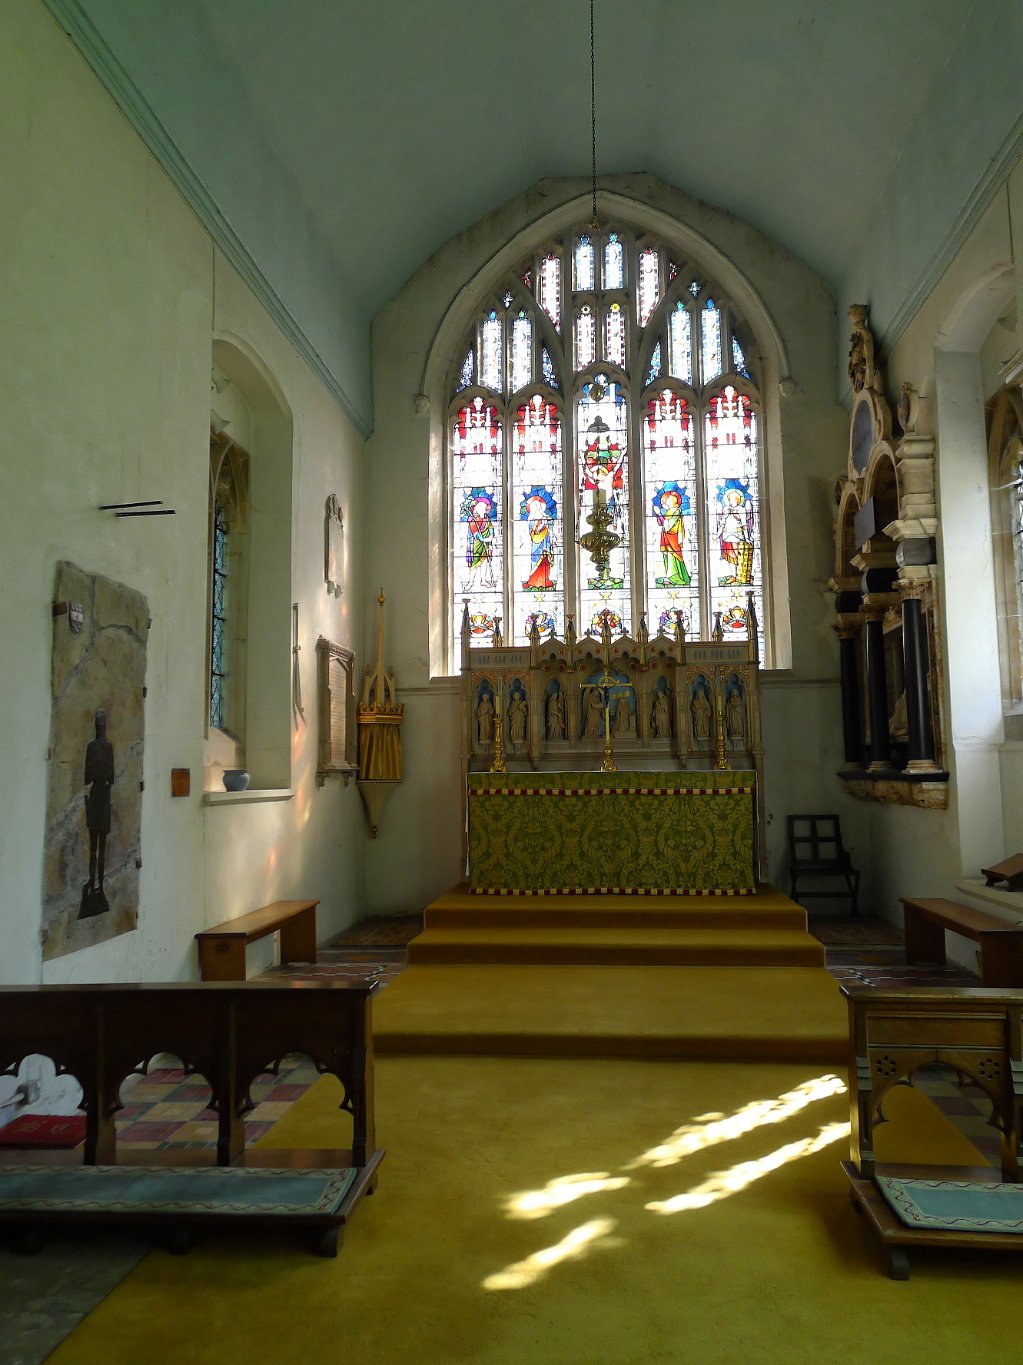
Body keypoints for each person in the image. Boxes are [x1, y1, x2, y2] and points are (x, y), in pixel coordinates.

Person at [82, 707, 114, 914]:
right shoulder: (98, 747)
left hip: (98, 796)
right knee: (97, 845)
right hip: (100, 796)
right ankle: (96, 884)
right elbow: (110, 777)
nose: (101, 725)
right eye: (99, 721)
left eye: (102, 721)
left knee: (98, 845)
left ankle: (97, 884)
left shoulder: (96, 747)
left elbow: (89, 776)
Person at [655, 487, 690, 586]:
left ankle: (674, 577)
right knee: (667, 556)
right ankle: (670, 575)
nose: (666, 502)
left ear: (674, 502)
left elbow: (669, 525)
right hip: (667, 537)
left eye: (668, 500)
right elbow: (662, 523)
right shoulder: (670, 511)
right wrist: (660, 515)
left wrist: (659, 513)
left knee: (672, 556)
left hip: (672, 538)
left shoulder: (676, 511)